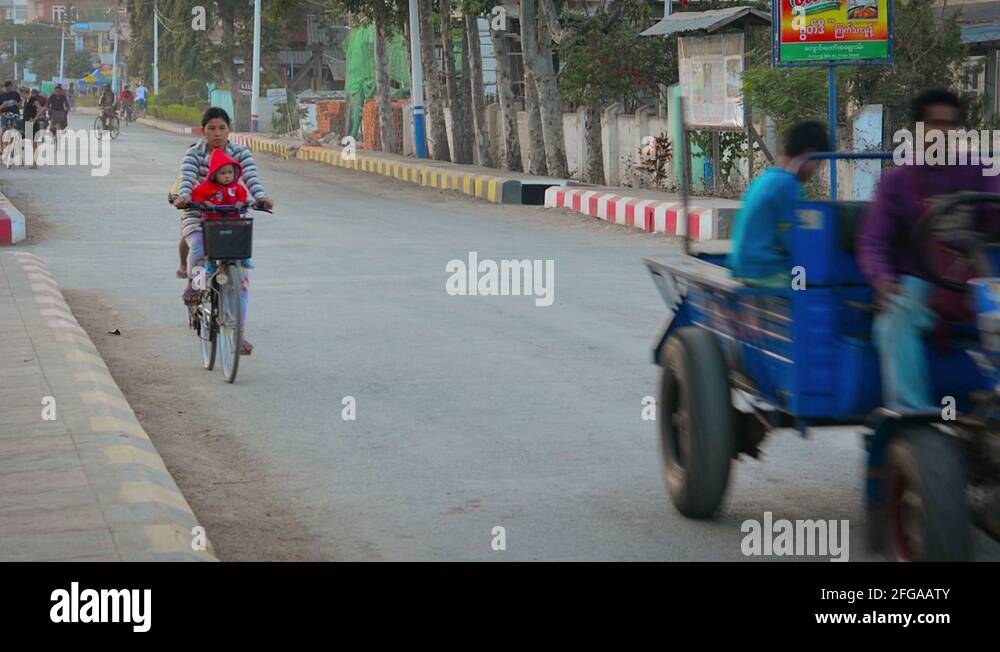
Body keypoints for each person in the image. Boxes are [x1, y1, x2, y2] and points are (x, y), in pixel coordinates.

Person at [858, 88, 1000, 410]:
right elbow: (873, 242)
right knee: (894, 318)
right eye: (936, 123)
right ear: (918, 130)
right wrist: (882, 281)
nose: (944, 132)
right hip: (919, 283)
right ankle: (913, 416)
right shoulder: (897, 181)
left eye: (951, 125)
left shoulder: (981, 168)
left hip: (975, 283)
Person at [171, 107, 274, 355]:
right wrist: (184, 197)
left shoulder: (240, 153)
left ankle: (239, 335)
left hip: (230, 213)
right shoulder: (194, 153)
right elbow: (187, 177)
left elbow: (251, 177)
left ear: (229, 130)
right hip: (199, 212)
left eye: (222, 128)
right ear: (203, 130)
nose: (217, 133)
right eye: (211, 128)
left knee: (242, 280)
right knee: (197, 246)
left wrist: (261, 197)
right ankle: (195, 286)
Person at [728, 120, 831, 287]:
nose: (815, 172)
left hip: (743, 267)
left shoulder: (766, 178)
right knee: (818, 286)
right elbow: (795, 240)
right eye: (817, 165)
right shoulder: (787, 184)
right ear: (808, 154)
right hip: (765, 271)